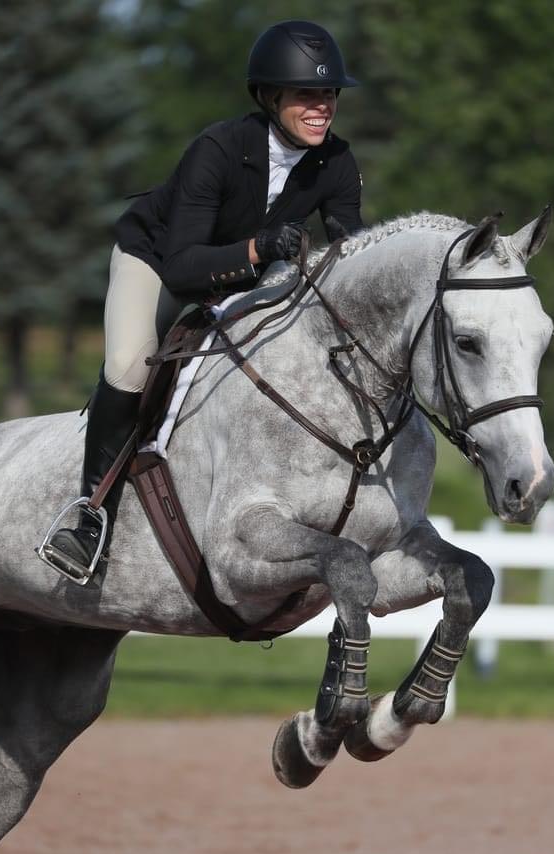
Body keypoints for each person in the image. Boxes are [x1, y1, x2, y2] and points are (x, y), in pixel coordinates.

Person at [43, 18, 363, 583]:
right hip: (158, 260)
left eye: (329, 94)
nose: (322, 107)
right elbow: (184, 267)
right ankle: (89, 516)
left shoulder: (335, 162)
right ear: (269, 97)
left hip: (240, 275)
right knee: (127, 365)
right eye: (306, 95)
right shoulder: (217, 149)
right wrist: (261, 247)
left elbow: (347, 252)